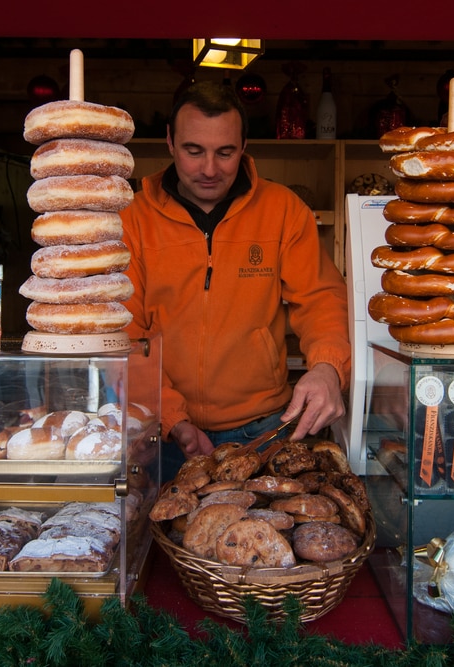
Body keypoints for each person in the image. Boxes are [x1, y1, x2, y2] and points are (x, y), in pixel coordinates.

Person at [119, 80, 351, 474]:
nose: (209, 169)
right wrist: (173, 418)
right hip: (160, 431)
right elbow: (126, 333)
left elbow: (321, 300)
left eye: (225, 152)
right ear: (170, 141)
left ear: (244, 146)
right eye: (194, 151)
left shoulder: (283, 210)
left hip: (265, 430)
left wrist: (328, 367)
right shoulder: (132, 219)